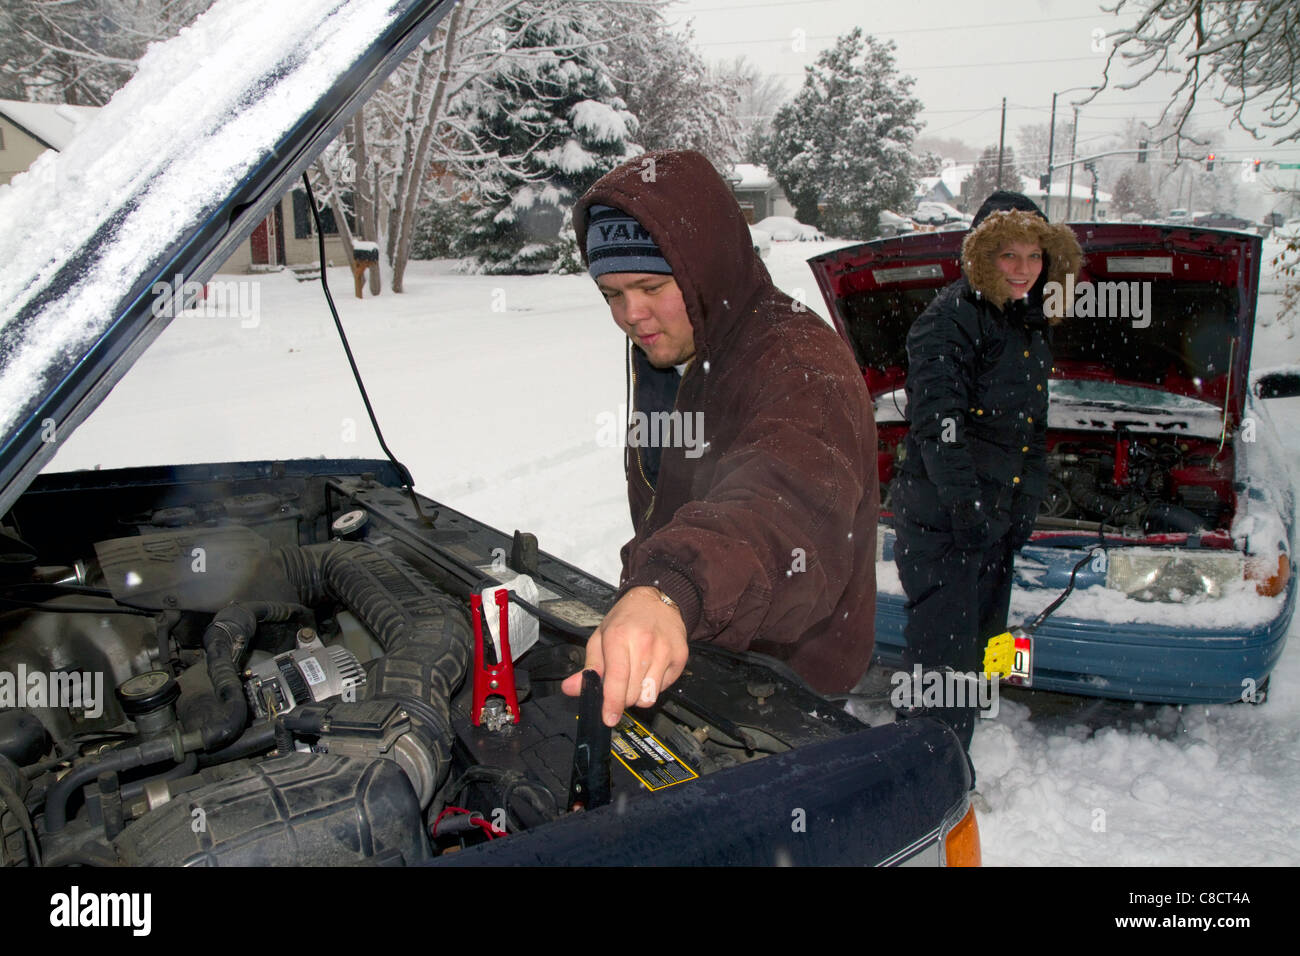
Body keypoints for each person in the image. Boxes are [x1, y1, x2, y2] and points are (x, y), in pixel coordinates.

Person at [560, 149, 879, 727]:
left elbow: (781, 502)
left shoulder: (801, 366)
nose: (631, 314)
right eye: (611, 294)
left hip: (782, 681)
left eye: (651, 285)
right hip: (700, 644)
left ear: (704, 268)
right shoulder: (675, 347)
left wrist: (672, 587)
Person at [891, 190, 1083, 749]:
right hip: (942, 522)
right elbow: (939, 428)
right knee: (940, 664)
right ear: (983, 257)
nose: (1023, 270)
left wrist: (1024, 504)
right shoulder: (947, 321)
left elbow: (1033, 430)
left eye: (1034, 257)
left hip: (993, 517)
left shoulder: (1028, 325)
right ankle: (925, 768)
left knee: (986, 647)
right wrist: (965, 507)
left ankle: (962, 749)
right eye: (1008, 256)